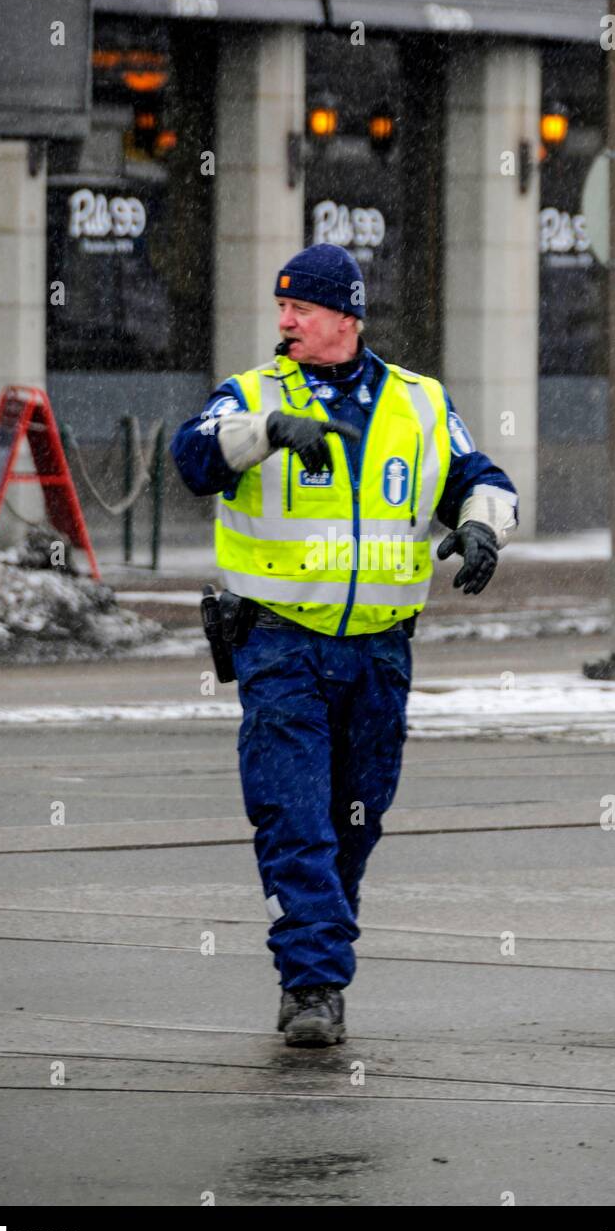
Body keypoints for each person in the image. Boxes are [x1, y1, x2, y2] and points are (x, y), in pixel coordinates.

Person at [171, 244, 518, 1047]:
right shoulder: (252, 393)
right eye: (280, 306)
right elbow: (191, 457)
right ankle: (314, 985)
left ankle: (319, 948)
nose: (284, 320)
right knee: (294, 817)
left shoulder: (419, 400)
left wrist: (478, 525)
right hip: (279, 644)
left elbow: (479, 476)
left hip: (380, 654)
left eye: (301, 307)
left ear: (346, 317)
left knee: (353, 822)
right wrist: (269, 432)